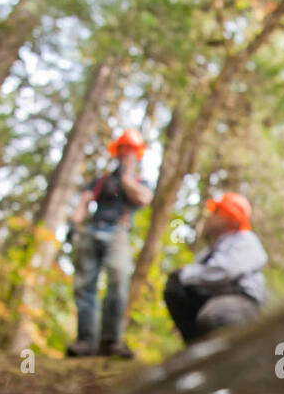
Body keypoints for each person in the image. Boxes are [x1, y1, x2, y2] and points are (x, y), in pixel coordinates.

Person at [66, 129, 153, 358]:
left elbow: (142, 198)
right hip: (92, 230)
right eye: (122, 149)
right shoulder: (102, 180)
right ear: (116, 152)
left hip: (118, 233)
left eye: (130, 150)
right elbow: (84, 201)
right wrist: (74, 224)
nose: (125, 154)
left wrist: (125, 176)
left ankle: (111, 342)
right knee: (85, 285)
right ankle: (85, 341)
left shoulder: (139, 181)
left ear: (137, 154)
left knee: (118, 280)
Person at [164, 192, 266, 345]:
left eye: (216, 212)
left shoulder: (245, 240)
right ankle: (195, 349)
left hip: (242, 301)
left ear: (230, 217)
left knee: (215, 316)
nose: (210, 216)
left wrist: (185, 274)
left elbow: (224, 271)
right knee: (175, 287)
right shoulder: (211, 250)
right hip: (212, 299)